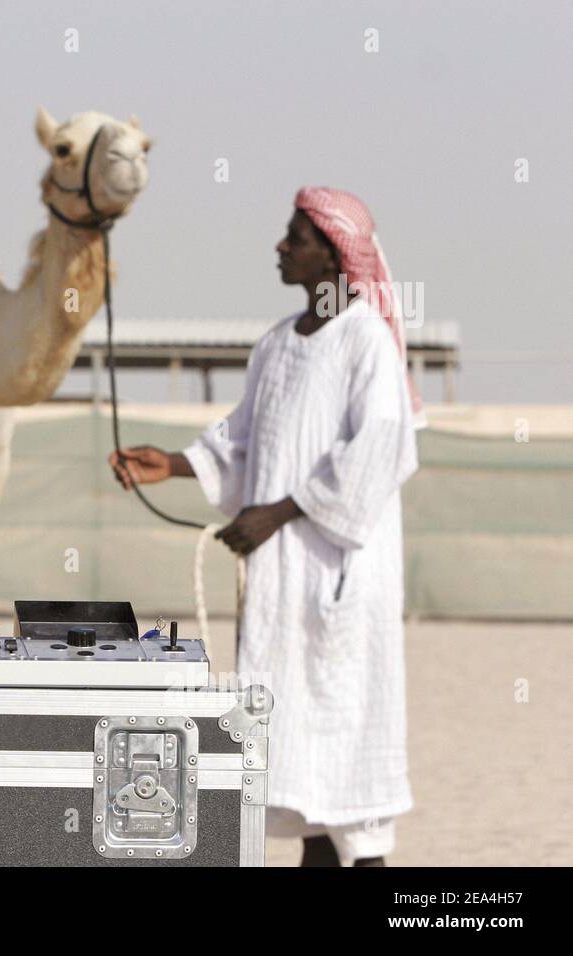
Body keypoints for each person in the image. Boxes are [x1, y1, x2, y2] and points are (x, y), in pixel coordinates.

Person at [109, 187, 420, 866]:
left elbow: (381, 450)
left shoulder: (366, 341)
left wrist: (276, 514)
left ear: (336, 257)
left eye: (296, 237)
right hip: (281, 587)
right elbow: (245, 445)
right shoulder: (278, 344)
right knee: (302, 782)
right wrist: (175, 464)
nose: (281, 247)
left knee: (352, 788)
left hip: (340, 580)